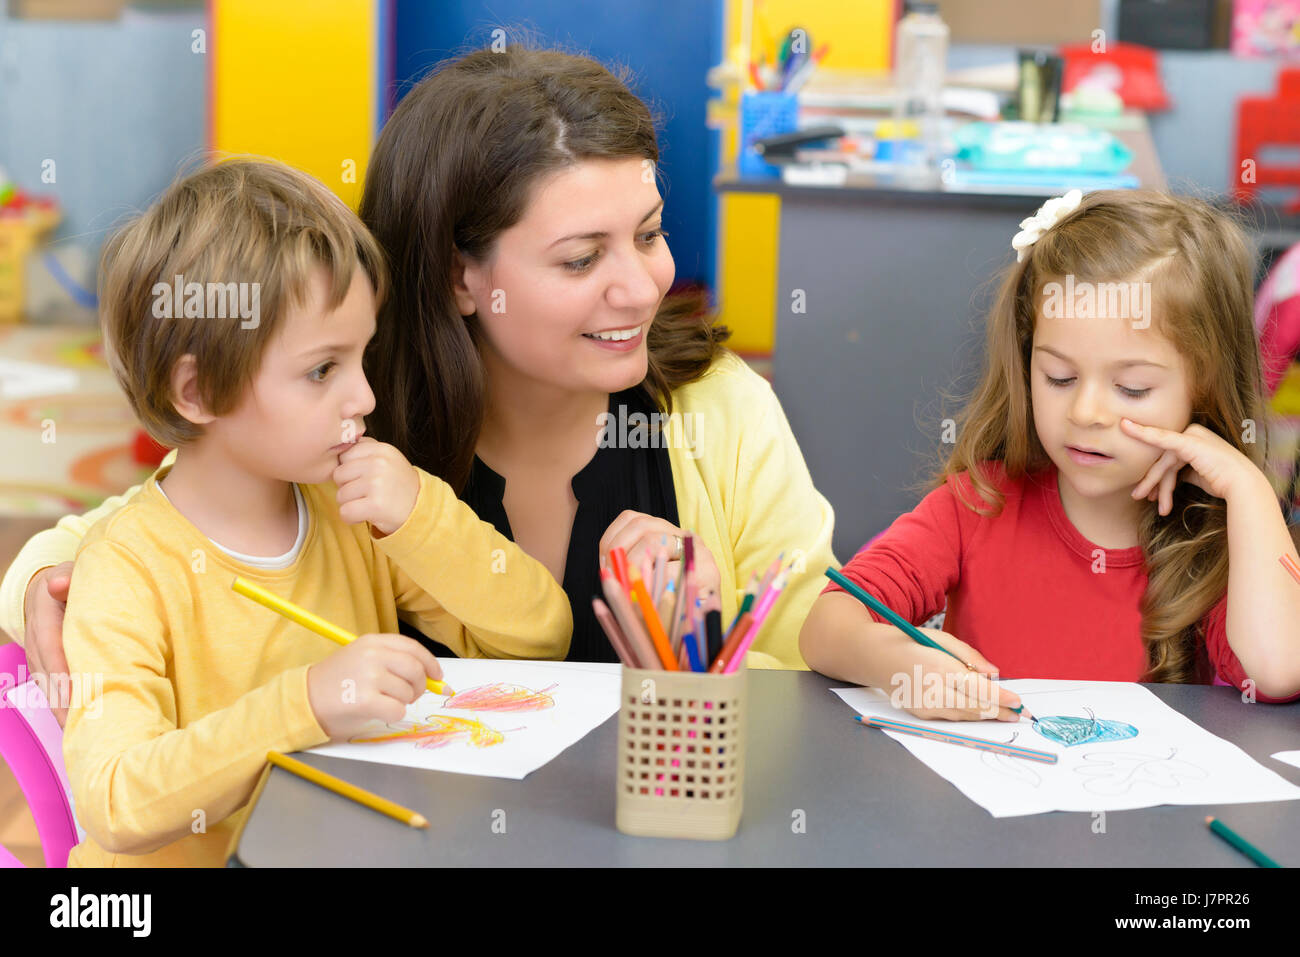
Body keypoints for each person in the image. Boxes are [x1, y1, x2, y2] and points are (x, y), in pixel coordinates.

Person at [2, 44, 836, 699]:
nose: (642, 284)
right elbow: (136, 529)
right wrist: (40, 576)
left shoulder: (719, 412)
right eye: (582, 258)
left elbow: (811, 649)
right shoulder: (350, 418)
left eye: (649, 235)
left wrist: (712, 629)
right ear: (457, 276)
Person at [59, 159, 571, 866]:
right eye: (322, 369)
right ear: (200, 390)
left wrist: (419, 519)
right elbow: (114, 800)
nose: (363, 395)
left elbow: (540, 634)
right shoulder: (126, 569)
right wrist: (306, 704)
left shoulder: (356, 509)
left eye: (363, 356)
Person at [800, 189, 1300, 718]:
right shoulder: (976, 506)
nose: (1086, 413)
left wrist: (1249, 488)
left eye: (1131, 388)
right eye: (1059, 377)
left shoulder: (1219, 542)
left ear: (1204, 388)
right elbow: (826, 626)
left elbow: (1278, 670)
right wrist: (899, 665)